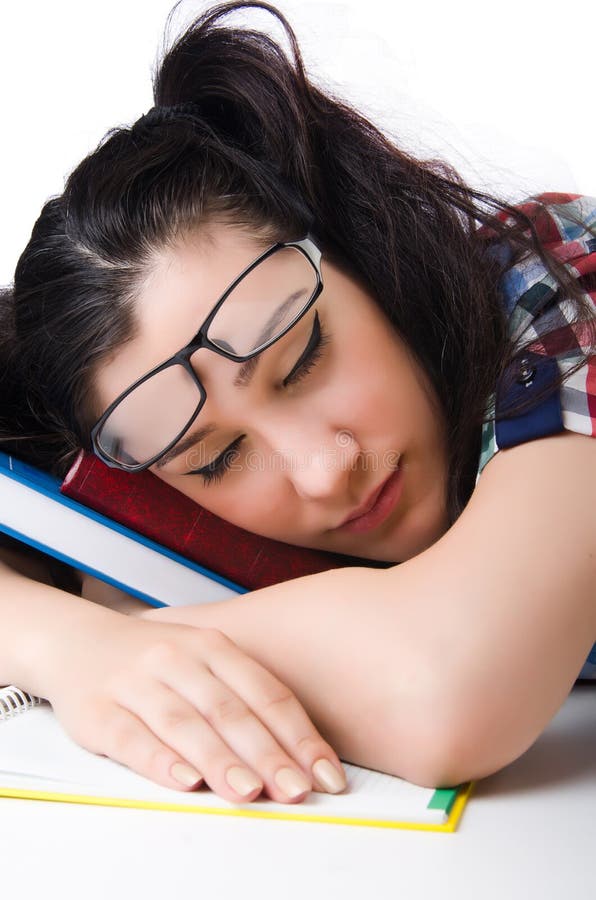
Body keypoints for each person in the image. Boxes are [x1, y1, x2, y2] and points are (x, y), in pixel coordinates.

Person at [0, 0, 594, 804]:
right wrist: (57, 644)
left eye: (303, 356)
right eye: (215, 458)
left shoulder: (562, 278)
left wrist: (104, 648)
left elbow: (449, 686)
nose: (323, 473)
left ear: (359, 251)